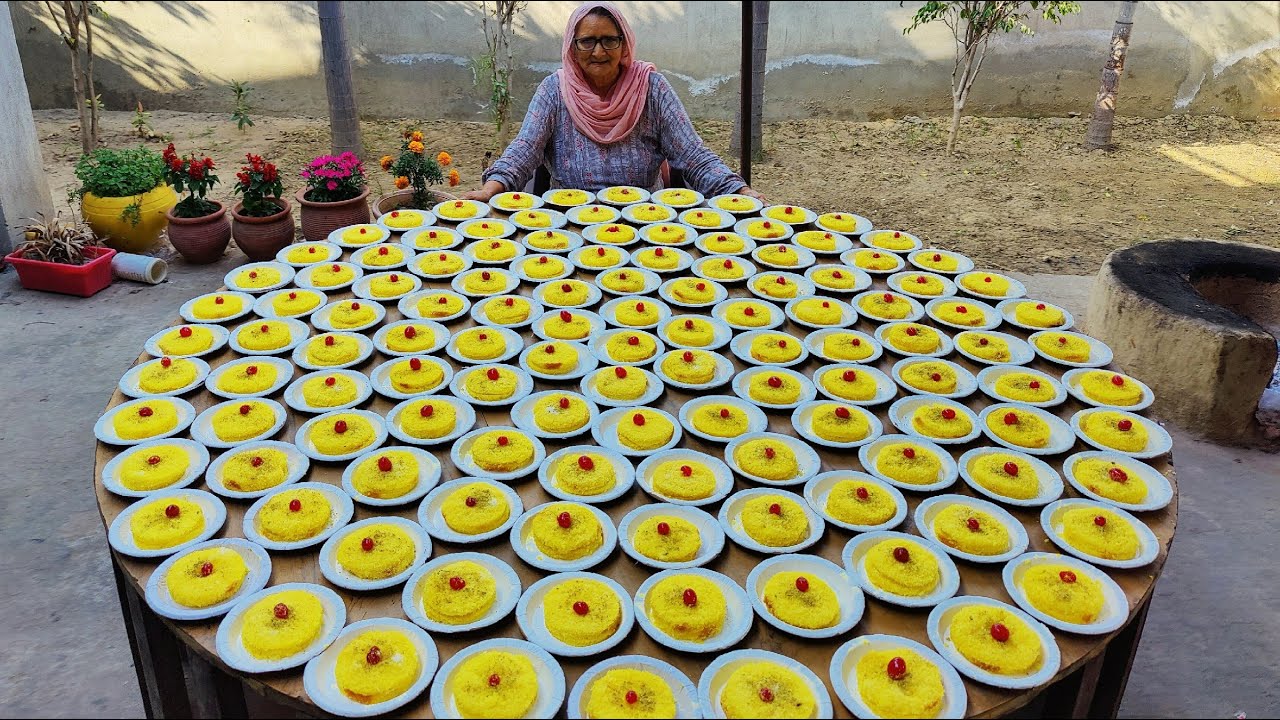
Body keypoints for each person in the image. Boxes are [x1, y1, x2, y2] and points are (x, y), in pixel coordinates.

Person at [462, 1, 766, 203]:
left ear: (624, 45)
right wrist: (493, 187)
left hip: (645, 221)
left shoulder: (651, 88)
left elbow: (694, 155)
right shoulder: (555, 90)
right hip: (569, 223)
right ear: (572, 46)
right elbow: (525, 149)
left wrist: (739, 190)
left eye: (609, 40)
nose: (598, 52)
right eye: (587, 41)